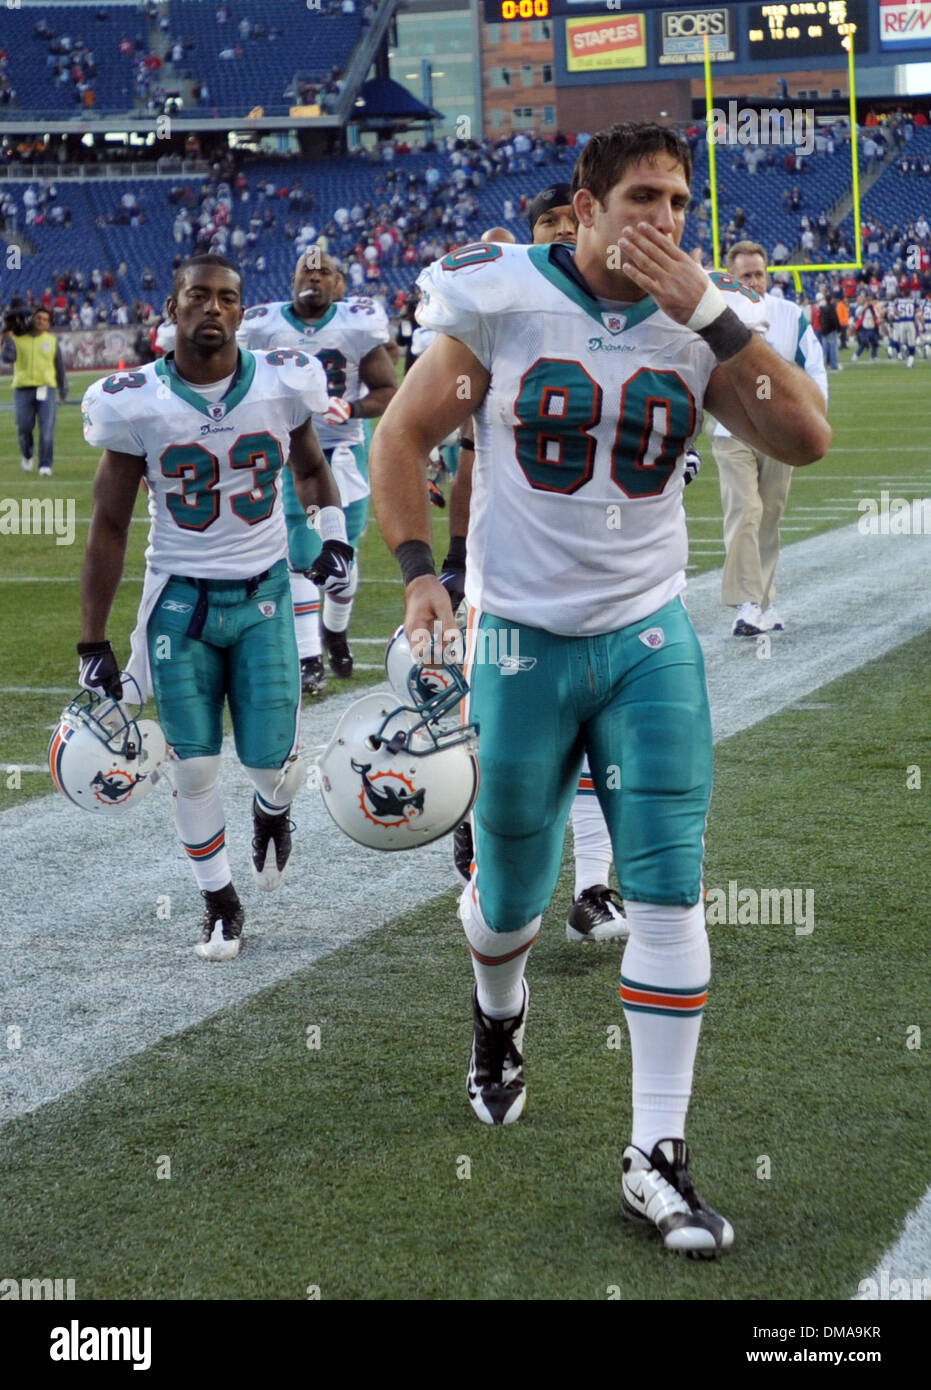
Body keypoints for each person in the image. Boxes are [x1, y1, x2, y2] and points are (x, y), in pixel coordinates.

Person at [369, 123, 830, 1257]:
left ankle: (656, 1155)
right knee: (511, 901)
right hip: (521, 641)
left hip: (644, 637)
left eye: (679, 200)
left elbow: (805, 436)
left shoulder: (703, 319)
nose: (664, 221)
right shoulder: (498, 297)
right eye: (641, 197)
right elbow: (403, 432)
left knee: (670, 886)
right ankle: (498, 1016)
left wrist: (713, 317)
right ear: (583, 207)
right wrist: (423, 577)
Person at [77, 254, 351, 960]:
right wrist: (92, 639)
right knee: (192, 767)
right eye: (197, 296)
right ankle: (219, 901)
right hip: (179, 601)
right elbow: (109, 525)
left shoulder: (283, 384)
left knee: (275, 767)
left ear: (240, 310)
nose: (213, 308)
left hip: (262, 594)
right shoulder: (136, 400)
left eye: (227, 298)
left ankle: (272, 810)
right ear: (171, 309)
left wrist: (331, 539)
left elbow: (313, 469)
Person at [444, 192, 628, 944]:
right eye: (547, 223)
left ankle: (592, 889)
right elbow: (467, 456)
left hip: (612, 584)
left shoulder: (630, 314)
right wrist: (451, 561)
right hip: (514, 587)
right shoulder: (507, 313)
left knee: (600, 757)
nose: (561, 233)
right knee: (510, 760)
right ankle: (479, 831)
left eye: (569, 222)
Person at [237, 250, 396, 694]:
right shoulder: (264, 325)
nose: (314, 276)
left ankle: (336, 629)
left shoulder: (356, 325)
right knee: (303, 557)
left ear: (339, 283)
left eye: (324, 271)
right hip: (291, 454)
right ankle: (309, 658)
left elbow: (387, 391)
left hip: (344, 453)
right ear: (291, 280)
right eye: (305, 269)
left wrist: (354, 407)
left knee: (343, 557)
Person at [710, 241, 828, 637]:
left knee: (770, 516)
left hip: (777, 435)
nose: (754, 282)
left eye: (759, 274)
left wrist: (814, 418)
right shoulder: (714, 315)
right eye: (745, 276)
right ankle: (745, 605)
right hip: (732, 433)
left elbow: (813, 368)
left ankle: (763, 601)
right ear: (731, 278)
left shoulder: (789, 314)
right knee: (745, 511)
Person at [2, 307, 68, 476]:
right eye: (38, 318)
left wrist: (63, 390)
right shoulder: (18, 339)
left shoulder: (51, 341)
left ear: (48, 324)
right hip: (23, 389)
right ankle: (27, 454)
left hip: (46, 388)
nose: (40, 321)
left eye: (45, 319)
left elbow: (59, 367)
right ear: (32, 319)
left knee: (47, 428)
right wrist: (8, 339)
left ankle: (45, 464)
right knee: (24, 427)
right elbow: (7, 358)